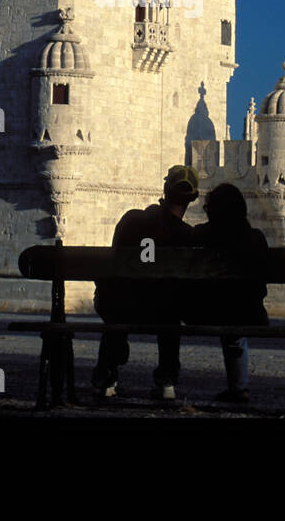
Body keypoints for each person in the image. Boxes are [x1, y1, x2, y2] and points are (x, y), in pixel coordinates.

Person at [91, 165, 199, 400]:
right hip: (163, 311)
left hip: (119, 305)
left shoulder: (131, 220)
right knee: (171, 307)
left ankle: (106, 377)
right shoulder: (186, 235)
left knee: (119, 301)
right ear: (193, 199)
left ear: (164, 189)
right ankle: (167, 381)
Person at [190, 183, 269, 403]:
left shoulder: (204, 235)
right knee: (236, 316)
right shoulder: (256, 238)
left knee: (227, 311)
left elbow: (184, 236)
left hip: (208, 313)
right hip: (251, 313)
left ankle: (166, 381)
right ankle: (238, 388)